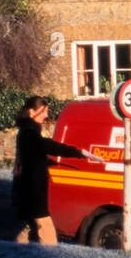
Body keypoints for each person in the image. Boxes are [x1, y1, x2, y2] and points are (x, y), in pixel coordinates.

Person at [12, 96, 102, 243]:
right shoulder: (29, 133)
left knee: (29, 228)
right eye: (43, 111)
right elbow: (48, 146)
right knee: (45, 228)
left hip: (29, 189)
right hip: (32, 189)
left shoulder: (27, 131)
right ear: (31, 112)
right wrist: (78, 152)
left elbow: (34, 155)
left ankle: (16, 253)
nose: (46, 115)